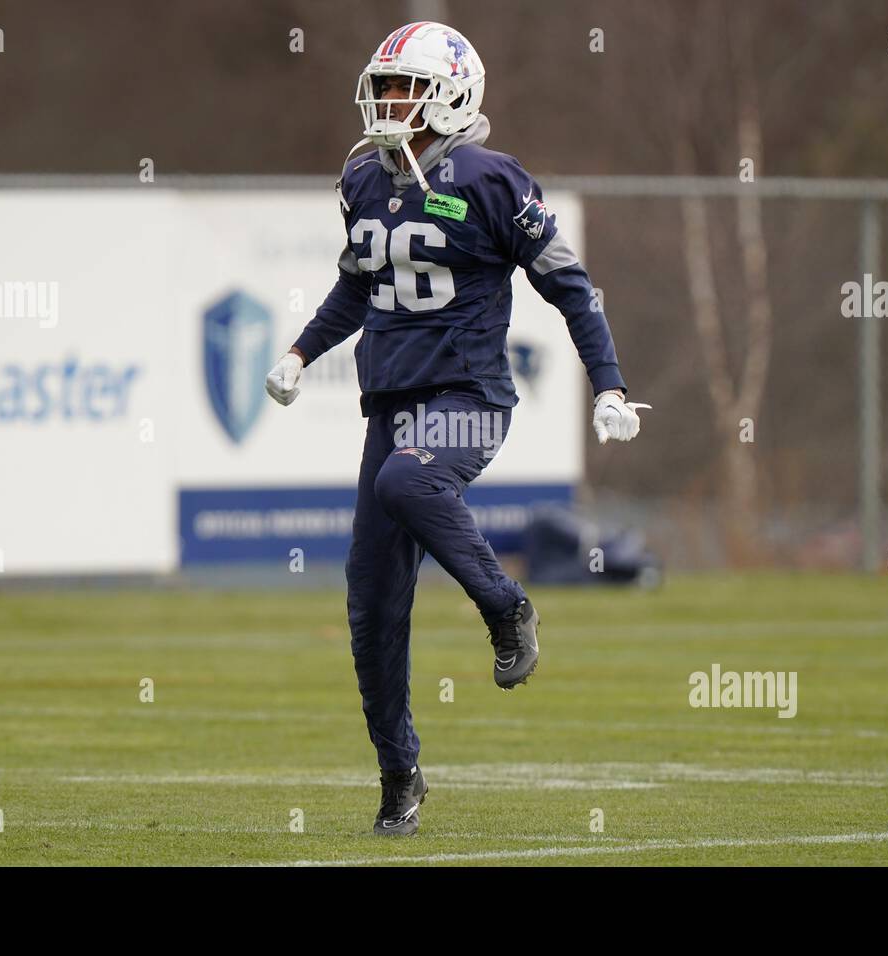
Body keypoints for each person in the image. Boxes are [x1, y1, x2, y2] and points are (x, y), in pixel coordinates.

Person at [264, 21, 649, 836]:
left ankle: (507, 609)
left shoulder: (491, 179)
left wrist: (609, 384)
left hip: (469, 396)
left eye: (404, 88)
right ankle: (400, 774)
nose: (388, 103)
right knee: (370, 607)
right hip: (389, 406)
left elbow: (570, 288)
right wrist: (302, 351)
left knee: (409, 480)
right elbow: (358, 290)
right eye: (384, 87)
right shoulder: (363, 176)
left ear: (452, 96)